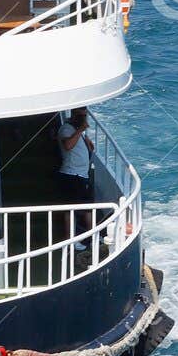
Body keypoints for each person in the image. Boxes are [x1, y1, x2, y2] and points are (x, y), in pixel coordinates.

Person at [56, 107, 96, 251]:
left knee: (88, 208)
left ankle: (93, 236)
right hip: (71, 175)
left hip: (82, 174)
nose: (85, 119)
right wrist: (80, 130)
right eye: (83, 116)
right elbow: (68, 145)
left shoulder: (79, 130)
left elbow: (87, 149)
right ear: (75, 116)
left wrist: (88, 144)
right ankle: (70, 241)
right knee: (71, 209)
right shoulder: (66, 129)